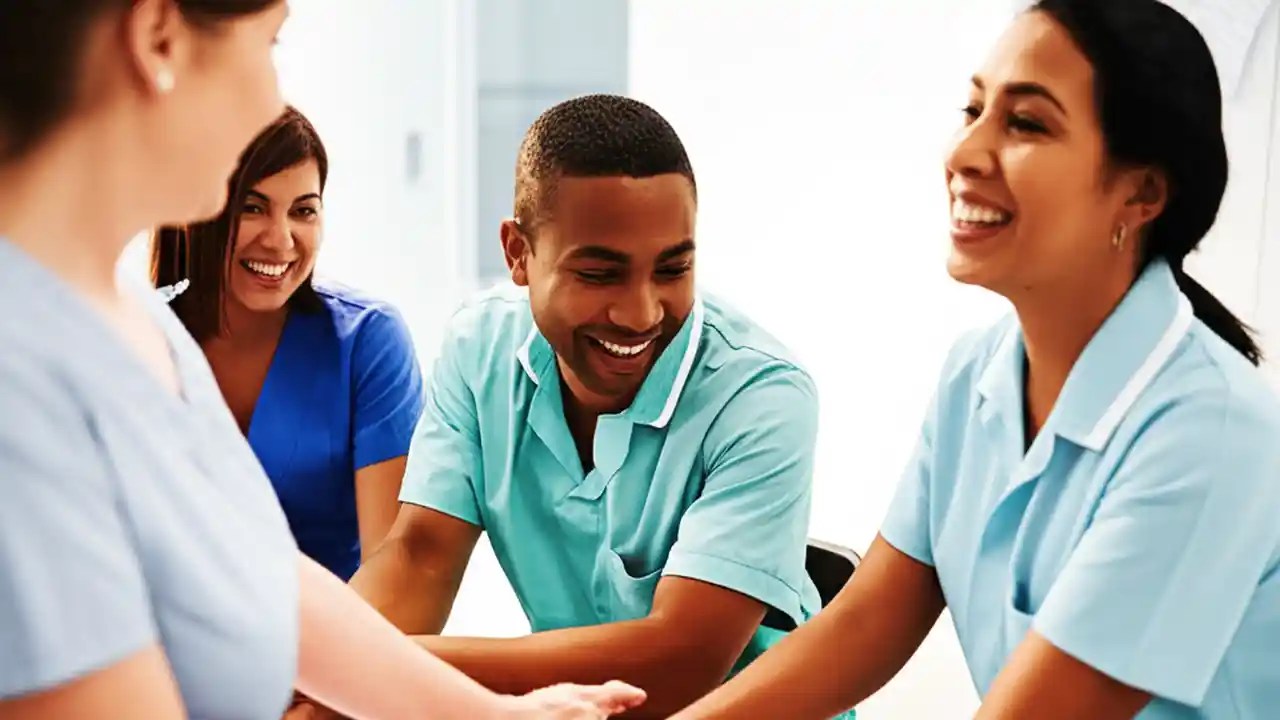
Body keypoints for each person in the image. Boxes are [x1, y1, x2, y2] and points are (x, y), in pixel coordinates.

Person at [0, 2, 643, 719]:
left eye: (303, 209)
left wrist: (487, 714)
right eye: (269, 41)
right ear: (159, 40)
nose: (272, 97)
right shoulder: (22, 377)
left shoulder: (135, 320)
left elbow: (263, 572)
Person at [673, 1, 1280, 718]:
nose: (964, 153)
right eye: (973, 110)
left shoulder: (1214, 435)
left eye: (1026, 123)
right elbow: (861, 630)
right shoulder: (976, 374)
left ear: (1141, 191)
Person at [301, 93, 838, 720]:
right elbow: (421, 556)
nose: (640, 313)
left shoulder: (763, 397)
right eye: (600, 274)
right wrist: (318, 687)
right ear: (517, 254)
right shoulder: (479, 350)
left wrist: (363, 667)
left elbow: (681, 661)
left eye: (672, 270)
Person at [152, 106, 422, 581]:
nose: (280, 241)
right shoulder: (138, 336)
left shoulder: (368, 340)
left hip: (336, 624)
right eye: (252, 207)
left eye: (303, 211)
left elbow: (393, 568)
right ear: (199, 208)